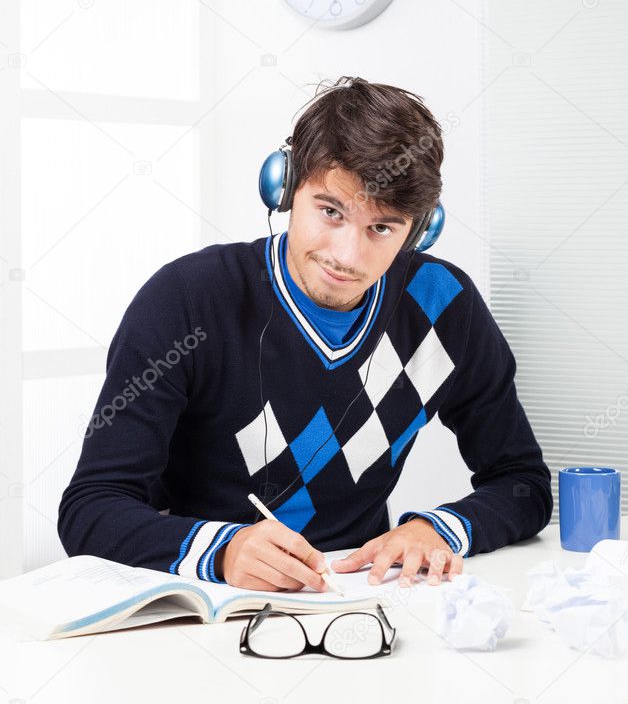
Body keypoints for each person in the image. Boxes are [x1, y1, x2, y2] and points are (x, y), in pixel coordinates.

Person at [58, 76, 552, 593]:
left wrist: (437, 530)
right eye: (330, 211)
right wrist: (224, 551)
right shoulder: (187, 298)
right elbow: (91, 509)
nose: (347, 256)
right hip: (210, 602)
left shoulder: (443, 305)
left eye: (382, 228)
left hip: (356, 600)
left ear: (421, 229)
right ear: (285, 188)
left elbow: (523, 483)